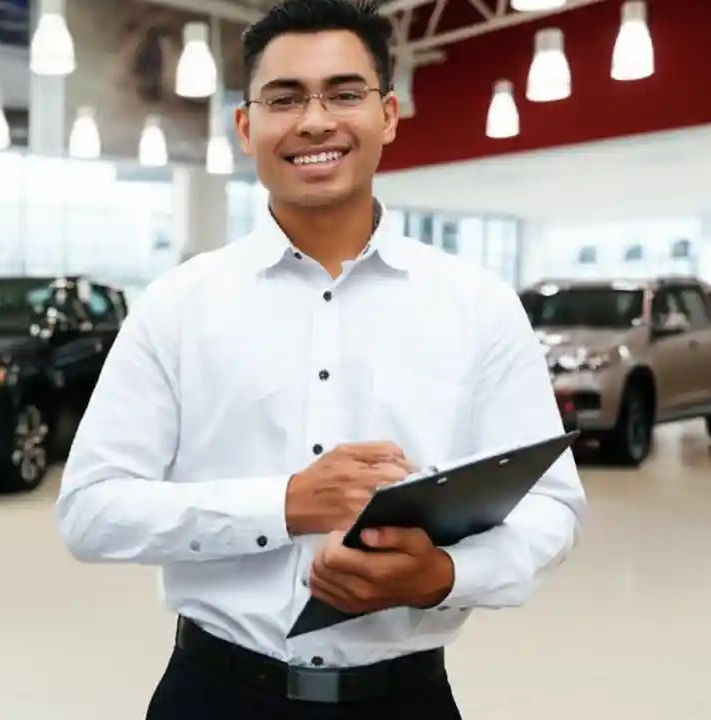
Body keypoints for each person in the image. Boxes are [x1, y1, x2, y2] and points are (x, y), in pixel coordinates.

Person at [55, 1, 587, 718]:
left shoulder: (478, 305)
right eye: (284, 98)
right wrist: (283, 503)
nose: (314, 122)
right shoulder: (178, 305)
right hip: (214, 695)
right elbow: (91, 510)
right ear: (246, 127)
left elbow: (550, 506)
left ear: (389, 115)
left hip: (406, 699)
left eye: (344, 93)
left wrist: (443, 575)